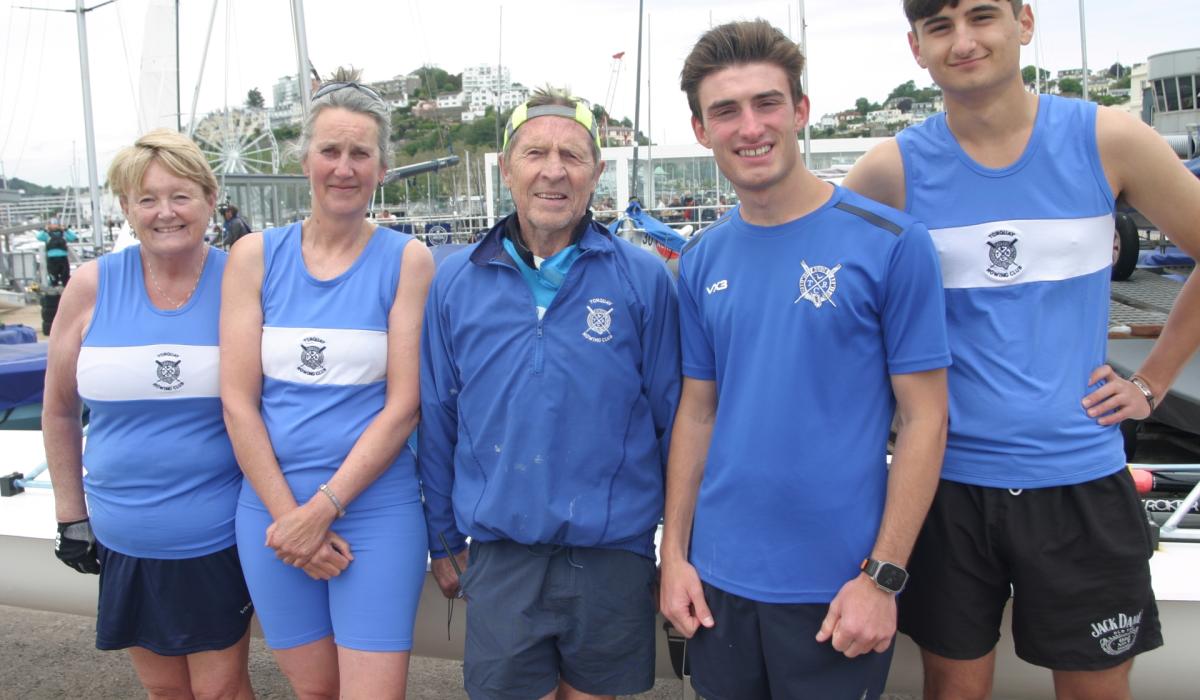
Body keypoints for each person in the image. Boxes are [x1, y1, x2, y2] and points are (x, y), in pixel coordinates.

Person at [843, 2, 1200, 698]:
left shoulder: (1108, 139)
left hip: (1081, 479)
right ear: (916, 47)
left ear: (1024, 23)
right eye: (940, 26)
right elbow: (815, 279)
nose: (965, 41)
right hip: (949, 487)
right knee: (953, 690)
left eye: (982, 16)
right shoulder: (893, 168)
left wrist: (1153, 383)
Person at [659, 20, 951, 700]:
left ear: (800, 111)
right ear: (702, 131)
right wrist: (674, 557)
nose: (749, 126)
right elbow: (697, 415)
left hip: (837, 585)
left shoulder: (893, 245)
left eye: (767, 103)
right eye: (725, 111)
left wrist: (883, 577)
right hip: (719, 585)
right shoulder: (700, 259)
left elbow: (925, 419)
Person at [419, 88, 680, 700]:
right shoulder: (455, 279)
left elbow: (675, 418)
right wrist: (441, 539)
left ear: (596, 173)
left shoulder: (643, 278)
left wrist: (682, 546)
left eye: (573, 154)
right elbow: (437, 414)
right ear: (507, 168)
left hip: (613, 552)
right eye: (535, 152)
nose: (554, 170)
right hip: (503, 553)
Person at [220, 68, 433, 700]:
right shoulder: (254, 256)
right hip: (272, 510)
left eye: (360, 154)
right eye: (330, 151)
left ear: (381, 168)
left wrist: (324, 510)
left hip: (374, 509)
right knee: (315, 691)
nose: (344, 167)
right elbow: (237, 398)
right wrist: (293, 520)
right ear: (306, 159)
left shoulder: (406, 259)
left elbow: (405, 405)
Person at [42, 129, 252, 699]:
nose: (165, 213)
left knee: (221, 692)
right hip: (122, 537)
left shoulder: (241, 279)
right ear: (126, 209)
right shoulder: (90, 286)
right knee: (164, 692)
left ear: (211, 200)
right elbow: (60, 412)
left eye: (181, 195)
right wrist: (71, 516)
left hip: (217, 535)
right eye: (147, 198)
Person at [36, 219, 78, 287]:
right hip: (52, 259)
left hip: (63, 259)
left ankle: (65, 290)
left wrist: (66, 229)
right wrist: (45, 229)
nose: (54, 226)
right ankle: (54, 290)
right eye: (52, 224)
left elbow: (73, 237)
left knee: (65, 277)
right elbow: (39, 237)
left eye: (56, 224)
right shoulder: (47, 235)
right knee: (53, 278)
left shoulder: (63, 234)